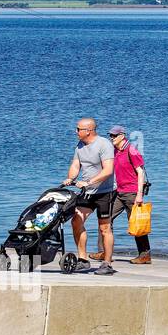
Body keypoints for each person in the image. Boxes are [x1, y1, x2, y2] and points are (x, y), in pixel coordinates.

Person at [61, 117, 118, 276]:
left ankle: (107, 263)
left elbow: (108, 170)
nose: (76, 131)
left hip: (105, 192)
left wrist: (89, 182)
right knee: (76, 221)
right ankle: (83, 259)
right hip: (87, 192)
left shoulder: (104, 144)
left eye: (78, 129)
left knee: (104, 228)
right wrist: (71, 179)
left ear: (88, 131)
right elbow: (75, 165)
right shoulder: (80, 145)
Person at [108, 125, 151, 264]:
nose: (111, 138)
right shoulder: (115, 150)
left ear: (122, 136)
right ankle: (105, 251)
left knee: (136, 223)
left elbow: (141, 172)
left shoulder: (131, 150)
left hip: (132, 193)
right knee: (106, 219)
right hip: (119, 192)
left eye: (114, 136)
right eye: (111, 135)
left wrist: (139, 194)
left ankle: (145, 255)